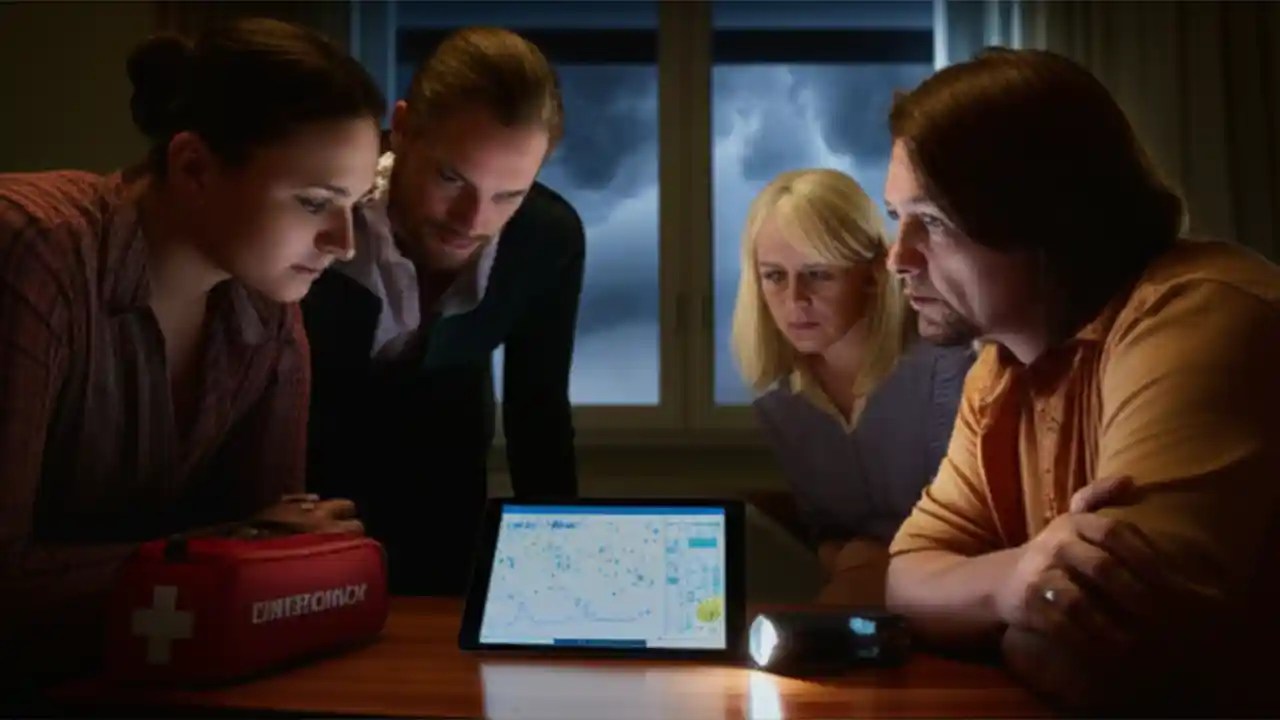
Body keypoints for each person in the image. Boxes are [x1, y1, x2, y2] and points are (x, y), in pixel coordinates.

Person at [882, 48, 1280, 714]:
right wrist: (1013, 583)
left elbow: (1098, 658)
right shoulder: (1001, 367)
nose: (898, 258)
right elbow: (903, 578)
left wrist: (990, 621)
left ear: (1045, 219)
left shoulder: (1201, 314)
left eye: (936, 223)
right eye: (898, 219)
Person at [0, 18, 382, 686]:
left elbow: (271, 577)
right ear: (194, 166)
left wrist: (259, 550)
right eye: (315, 202)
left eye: (356, 202)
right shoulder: (34, 251)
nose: (343, 241)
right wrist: (240, 546)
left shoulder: (267, 312)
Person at [302, 27, 585, 595]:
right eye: (451, 177)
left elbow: (539, 415)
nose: (472, 219)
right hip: (300, 512)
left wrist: (562, 578)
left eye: (510, 193)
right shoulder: (319, 203)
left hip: (445, 506)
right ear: (401, 130)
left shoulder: (547, 239)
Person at [731, 168, 974, 606]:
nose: (795, 299)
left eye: (819, 274)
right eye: (774, 276)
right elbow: (826, 532)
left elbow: (974, 528)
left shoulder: (948, 368)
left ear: (872, 272)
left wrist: (869, 560)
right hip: (861, 594)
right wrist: (845, 557)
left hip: (955, 591)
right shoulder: (782, 404)